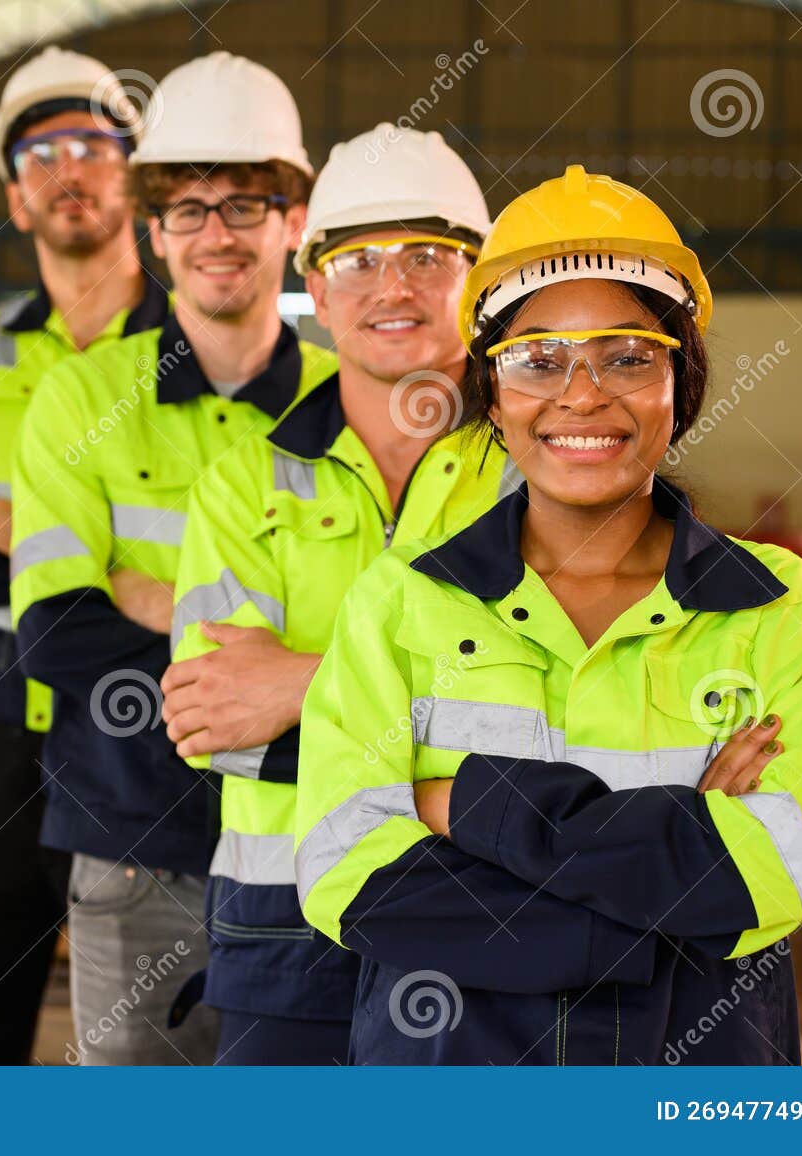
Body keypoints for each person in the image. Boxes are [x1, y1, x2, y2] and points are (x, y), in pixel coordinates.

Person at [294, 165, 802, 1065]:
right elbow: (347, 879)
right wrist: (673, 850)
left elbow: (772, 873)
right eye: (537, 359)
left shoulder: (778, 611)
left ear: (682, 376)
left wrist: (461, 803)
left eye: (627, 355)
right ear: (492, 392)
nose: (582, 395)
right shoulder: (401, 605)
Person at [10, 51, 337, 1065]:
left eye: (245, 205)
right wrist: (268, 665)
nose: (216, 236)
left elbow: (399, 637)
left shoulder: (352, 405)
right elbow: (58, 636)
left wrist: (157, 602)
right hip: (136, 842)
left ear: (294, 221)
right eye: (188, 209)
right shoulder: (79, 400)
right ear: (153, 232)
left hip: (314, 846)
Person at [161, 125, 512, 1064]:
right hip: (284, 930)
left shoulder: (535, 478)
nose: (393, 286)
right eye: (358, 260)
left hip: (492, 915)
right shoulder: (244, 484)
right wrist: (460, 737)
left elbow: (563, 720)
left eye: (429, 256)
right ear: (313, 287)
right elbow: (217, 732)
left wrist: (302, 683)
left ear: (479, 285)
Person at [0, 45, 166, 1065]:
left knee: (158, 1034)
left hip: (152, 740)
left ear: (132, 178)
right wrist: (118, 571)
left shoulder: (196, 351)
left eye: (93, 143)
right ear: (16, 198)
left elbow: (229, 571)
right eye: (40, 152)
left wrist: (16, 524)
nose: (68, 169)